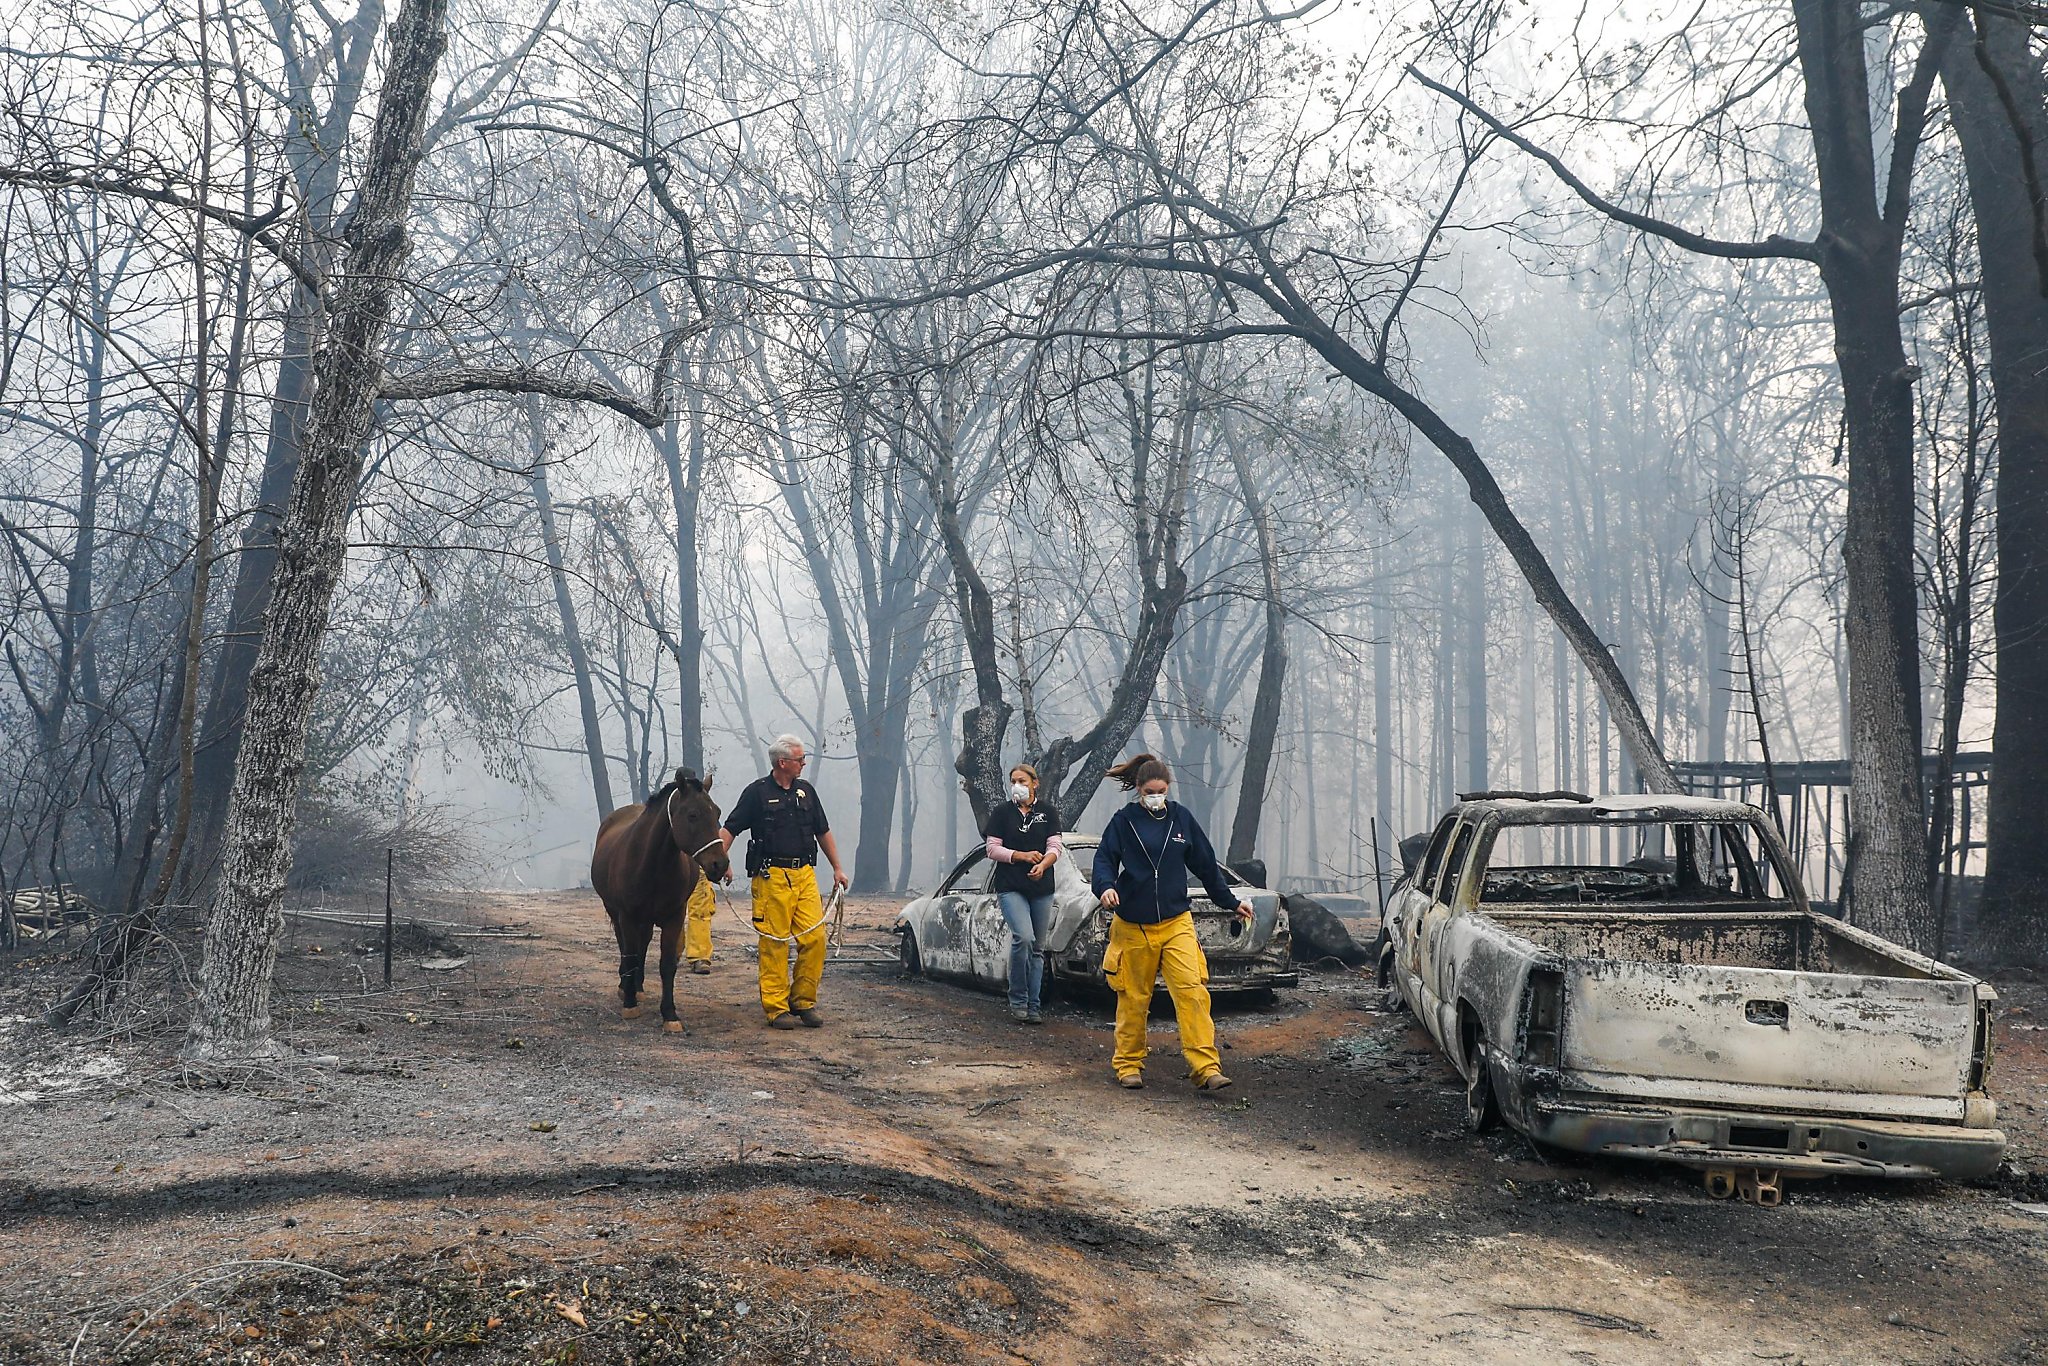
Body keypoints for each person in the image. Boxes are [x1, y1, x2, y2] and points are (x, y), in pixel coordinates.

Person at [1091, 753, 1249, 1091]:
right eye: (1150, 790)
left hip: (1177, 922)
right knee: (1134, 999)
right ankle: (1128, 1064)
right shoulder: (1124, 822)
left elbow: (1207, 866)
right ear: (1138, 789)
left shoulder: (1182, 819)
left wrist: (1231, 902)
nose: (1156, 796)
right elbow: (1104, 859)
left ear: (1169, 788)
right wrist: (1105, 887)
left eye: (1161, 790)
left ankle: (1206, 1068)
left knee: (1193, 992)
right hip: (1133, 926)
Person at [717, 734, 849, 1029]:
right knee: (775, 944)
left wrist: (838, 868)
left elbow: (823, 831)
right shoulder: (756, 793)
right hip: (771, 878)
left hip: (804, 876)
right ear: (783, 763)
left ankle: (803, 1002)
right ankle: (776, 1008)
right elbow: (731, 828)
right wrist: (720, 862)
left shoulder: (807, 792)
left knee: (814, 939)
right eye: (800, 759)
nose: (804, 763)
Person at [983, 764, 1063, 1024]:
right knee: (1024, 938)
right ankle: (1017, 998)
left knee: (1038, 949)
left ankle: (1033, 1005)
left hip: (1041, 887)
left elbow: (1055, 846)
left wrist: (1043, 864)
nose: (1017, 785)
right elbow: (992, 849)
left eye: (1022, 780)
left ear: (1034, 783)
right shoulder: (1002, 812)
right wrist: (1019, 856)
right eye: (1013, 781)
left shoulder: (1048, 812)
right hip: (1011, 886)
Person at [683, 876, 715, 974]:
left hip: (699, 865)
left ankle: (700, 956)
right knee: (672, 908)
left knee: (701, 911)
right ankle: (672, 952)